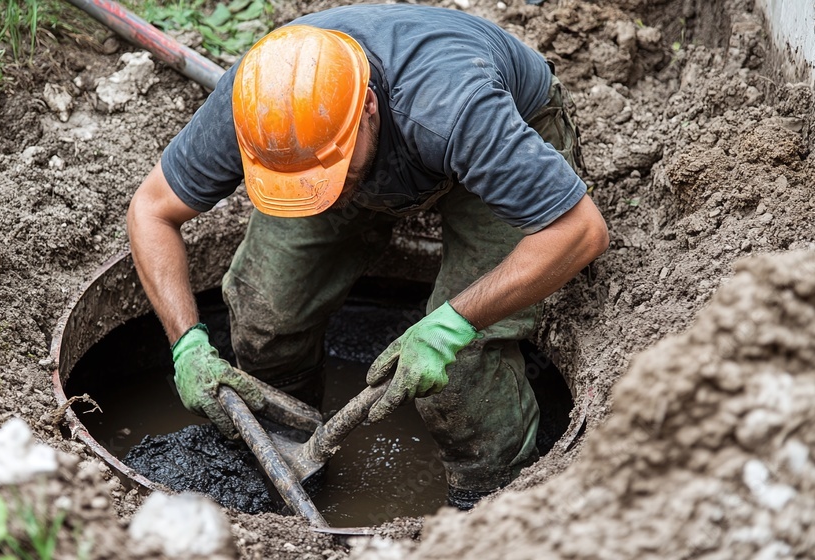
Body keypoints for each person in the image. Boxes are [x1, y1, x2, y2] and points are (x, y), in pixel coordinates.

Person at [127, 4, 608, 509]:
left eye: (325, 173)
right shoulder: (262, 107)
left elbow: (578, 230)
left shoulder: (452, 109)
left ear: (369, 108)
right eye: (294, 182)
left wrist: (452, 325)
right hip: (375, 147)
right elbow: (151, 210)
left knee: (459, 371)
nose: (315, 194)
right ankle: (288, 451)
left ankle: (491, 503)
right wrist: (186, 345)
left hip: (500, 135)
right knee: (267, 315)